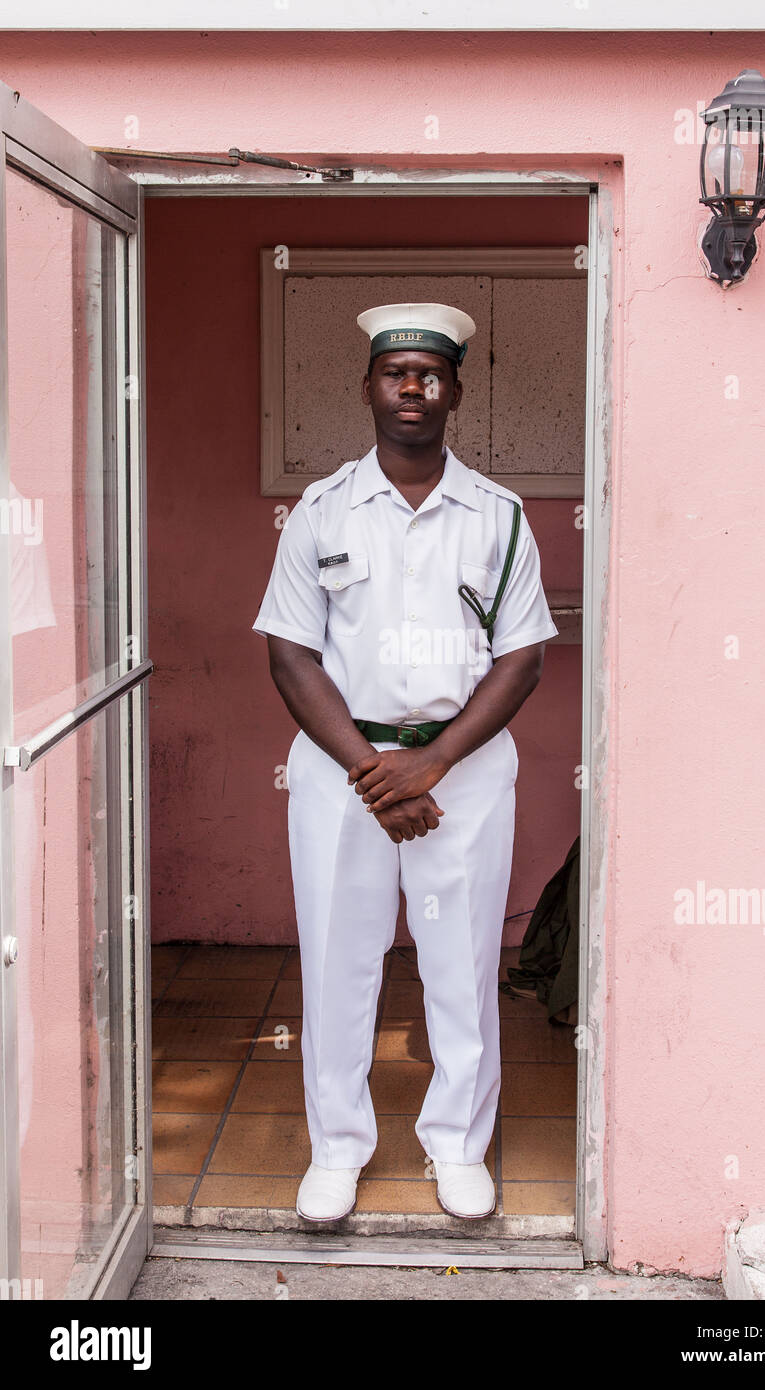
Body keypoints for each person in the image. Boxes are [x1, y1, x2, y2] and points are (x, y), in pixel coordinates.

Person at [252, 302, 558, 1221]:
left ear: (456, 390)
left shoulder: (498, 516)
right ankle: (338, 1149)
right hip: (341, 773)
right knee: (339, 961)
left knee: (460, 963)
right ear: (369, 388)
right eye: (397, 373)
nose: (414, 387)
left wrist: (429, 767)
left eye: (432, 373)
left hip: (459, 771)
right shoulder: (323, 509)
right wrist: (373, 772)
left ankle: (457, 1146)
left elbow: (523, 657)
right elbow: (290, 654)